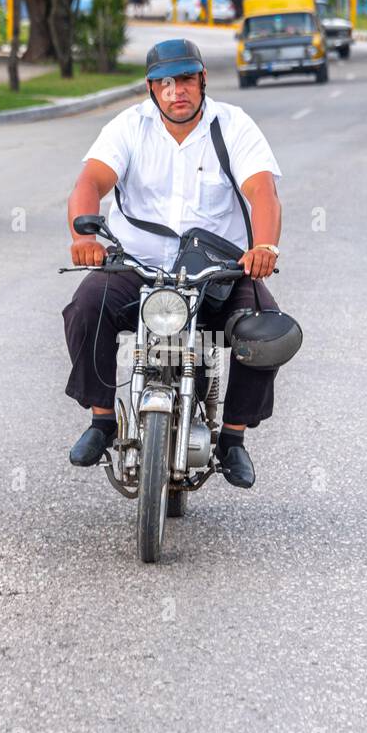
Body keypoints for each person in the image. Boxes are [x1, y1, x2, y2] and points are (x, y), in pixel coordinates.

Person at [62, 39, 285, 489]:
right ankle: (102, 419)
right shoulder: (129, 127)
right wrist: (84, 236)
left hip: (217, 272)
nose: (175, 91)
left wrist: (263, 247)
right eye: (164, 82)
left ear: (203, 80)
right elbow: (91, 180)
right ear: (150, 88)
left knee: (266, 327)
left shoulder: (233, 125)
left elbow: (262, 191)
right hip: (136, 266)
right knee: (86, 305)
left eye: (185, 79)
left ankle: (234, 437)